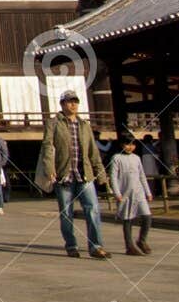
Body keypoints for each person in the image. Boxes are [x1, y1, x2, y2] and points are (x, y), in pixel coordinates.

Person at [35, 90, 111, 259]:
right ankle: (71, 245)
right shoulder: (53, 123)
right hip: (64, 174)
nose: (73, 104)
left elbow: (93, 152)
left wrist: (101, 174)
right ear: (62, 104)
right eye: (69, 101)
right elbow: (47, 146)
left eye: (75, 101)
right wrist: (49, 167)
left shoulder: (84, 125)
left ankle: (96, 246)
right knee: (66, 213)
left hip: (84, 174)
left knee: (93, 210)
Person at [107, 130, 154, 255]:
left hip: (138, 192)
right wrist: (117, 193)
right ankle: (129, 246)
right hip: (125, 193)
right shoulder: (116, 158)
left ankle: (141, 240)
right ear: (122, 145)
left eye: (132, 144)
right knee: (128, 219)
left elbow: (142, 176)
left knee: (147, 216)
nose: (130, 147)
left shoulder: (137, 158)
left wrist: (148, 192)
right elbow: (113, 177)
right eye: (127, 144)